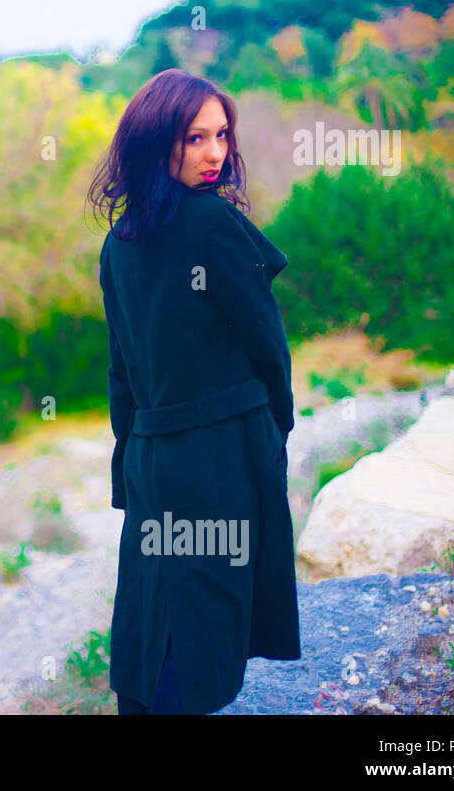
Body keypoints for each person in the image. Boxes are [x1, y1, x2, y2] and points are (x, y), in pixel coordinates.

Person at [86, 68, 302, 715]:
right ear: (158, 144)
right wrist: (274, 434)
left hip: (153, 458)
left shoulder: (117, 242)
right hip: (219, 454)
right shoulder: (213, 224)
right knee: (202, 625)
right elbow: (269, 347)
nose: (214, 153)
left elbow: (121, 374)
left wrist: (130, 471)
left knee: (155, 620)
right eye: (195, 138)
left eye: (221, 135)